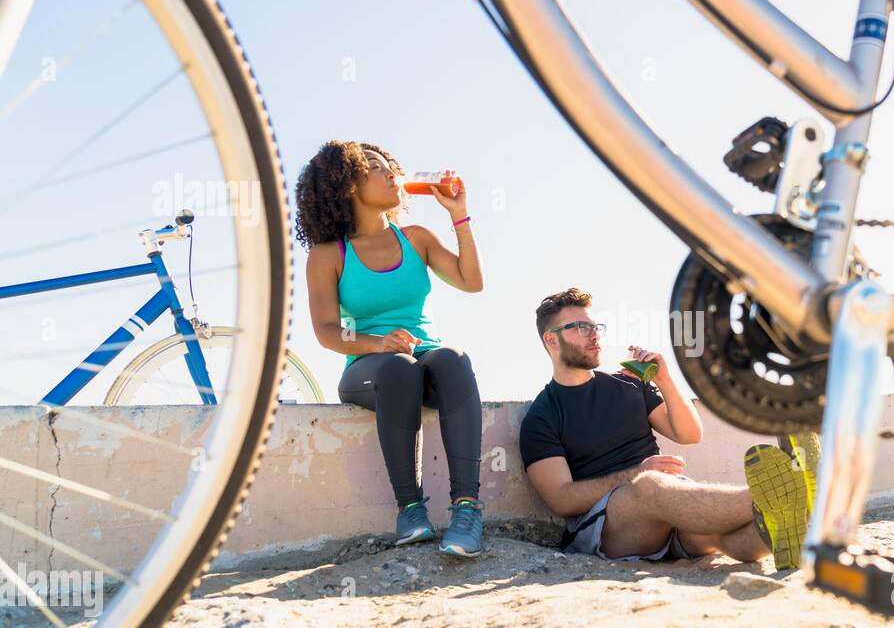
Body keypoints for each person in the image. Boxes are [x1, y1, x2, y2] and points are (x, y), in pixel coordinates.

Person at [518, 287, 814, 567]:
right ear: (551, 340)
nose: (594, 335)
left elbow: (689, 433)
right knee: (648, 486)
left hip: (671, 503)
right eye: (581, 328)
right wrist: (636, 474)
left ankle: (789, 532)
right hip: (609, 526)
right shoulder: (542, 416)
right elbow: (561, 499)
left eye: (596, 327)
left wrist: (664, 379)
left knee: (710, 534)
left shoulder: (630, 384)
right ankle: (788, 492)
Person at [297, 139, 485, 557]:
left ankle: (467, 510)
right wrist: (377, 343)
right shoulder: (329, 255)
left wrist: (459, 217)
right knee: (399, 367)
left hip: (427, 363)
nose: (390, 175)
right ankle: (411, 509)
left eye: (389, 167)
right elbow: (327, 331)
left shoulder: (416, 238)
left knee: (453, 359)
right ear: (347, 184)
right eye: (376, 169)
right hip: (369, 371)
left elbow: (472, 282)